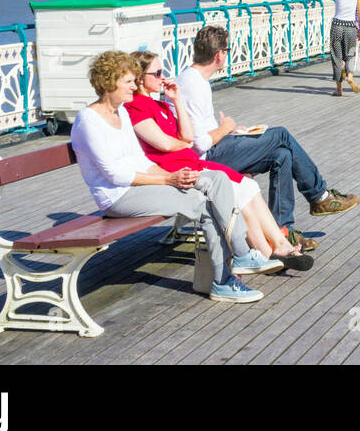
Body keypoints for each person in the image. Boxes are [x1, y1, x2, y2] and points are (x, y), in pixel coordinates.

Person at [70, 51, 277, 304]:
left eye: (135, 80)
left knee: (217, 180)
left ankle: (235, 263)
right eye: (129, 82)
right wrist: (168, 181)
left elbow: (141, 162)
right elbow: (116, 175)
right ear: (109, 82)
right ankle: (226, 277)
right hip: (118, 197)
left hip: (140, 183)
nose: (135, 86)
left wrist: (174, 175)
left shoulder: (120, 113)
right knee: (203, 204)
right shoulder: (88, 121)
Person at [177, 25, 359, 253]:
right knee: (280, 134)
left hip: (217, 148)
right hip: (207, 159)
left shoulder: (194, 79)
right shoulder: (193, 85)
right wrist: (226, 127)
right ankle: (319, 195)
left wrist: (233, 131)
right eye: (228, 50)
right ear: (219, 55)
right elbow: (200, 144)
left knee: (281, 155)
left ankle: (283, 230)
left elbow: (202, 130)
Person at [126, 51, 309, 268]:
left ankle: (277, 245)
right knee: (237, 188)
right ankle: (266, 251)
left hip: (191, 162)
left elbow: (187, 136)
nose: (163, 77)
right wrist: (184, 145)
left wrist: (177, 100)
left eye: (162, 71)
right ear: (139, 78)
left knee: (247, 184)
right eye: (157, 73)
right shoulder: (135, 107)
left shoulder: (162, 105)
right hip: (175, 170)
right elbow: (164, 144)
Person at [322, 0, 360, 95]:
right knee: (350, 55)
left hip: (337, 26)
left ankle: (339, 90)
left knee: (336, 57)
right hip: (350, 27)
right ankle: (350, 75)